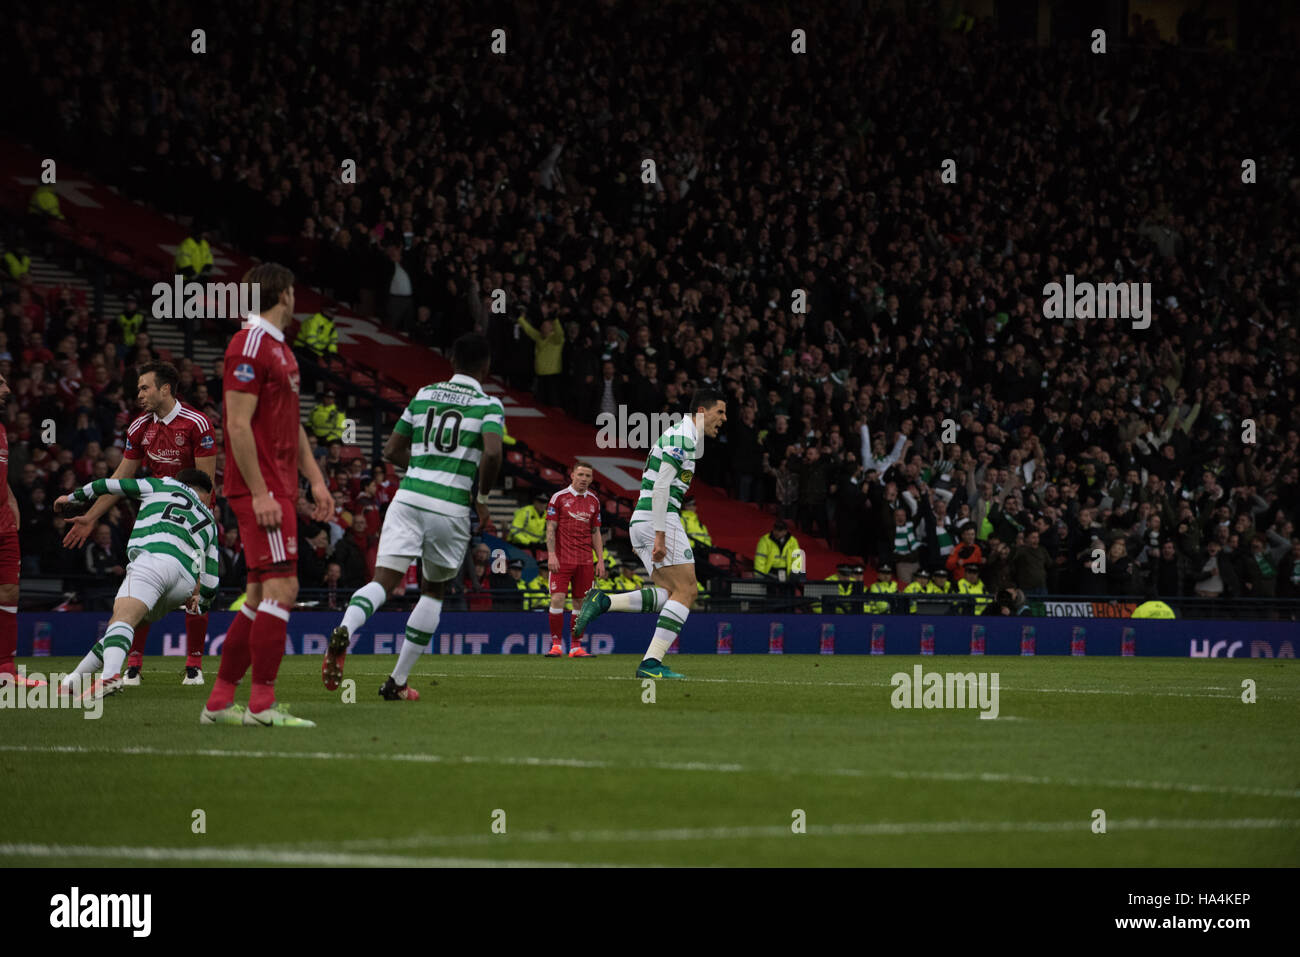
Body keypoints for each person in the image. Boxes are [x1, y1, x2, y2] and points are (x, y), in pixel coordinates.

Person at [323, 333, 503, 701]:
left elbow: (390, 450)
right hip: (449, 507)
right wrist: (481, 497)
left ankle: (345, 627)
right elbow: (494, 453)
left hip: (407, 498)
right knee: (433, 591)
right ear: (485, 367)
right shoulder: (488, 405)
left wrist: (424, 466)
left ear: (452, 361)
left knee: (383, 581)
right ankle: (397, 681)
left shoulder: (423, 394)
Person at [202, 263, 334, 728]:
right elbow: (236, 423)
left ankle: (218, 703)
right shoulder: (251, 343)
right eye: (295, 292)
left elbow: (291, 422)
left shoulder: (279, 350)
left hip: (278, 486)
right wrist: (261, 493)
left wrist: (315, 479)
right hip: (262, 490)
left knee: (258, 594)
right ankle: (261, 705)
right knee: (285, 587)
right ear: (285, 295)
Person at [62, 360, 217, 685]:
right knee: (142, 585)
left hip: (192, 518)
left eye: (145, 387)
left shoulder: (197, 424)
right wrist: (90, 516)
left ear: (165, 389)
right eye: (137, 389)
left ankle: (193, 665)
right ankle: (133, 665)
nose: (139, 394)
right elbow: (121, 477)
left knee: (197, 591)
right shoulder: (138, 428)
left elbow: (206, 483)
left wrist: (200, 531)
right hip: (154, 513)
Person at [573, 390, 728, 678]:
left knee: (669, 593)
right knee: (688, 590)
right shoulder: (682, 438)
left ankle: (604, 601)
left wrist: (645, 530)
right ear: (703, 411)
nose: (724, 418)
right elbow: (660, 488)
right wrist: (658, 534)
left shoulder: (681, 436)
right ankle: (651, 663)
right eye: (721, 412)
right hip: (660, 519)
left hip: (645, 519)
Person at [53, 470, 219, 699]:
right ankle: (72, 682)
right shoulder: (210, 521)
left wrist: (72, 497)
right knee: (124, 625)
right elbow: (211, 581)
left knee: (122, 619)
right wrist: (201, 602)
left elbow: (108, 484)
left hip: (154, 560)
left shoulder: (162, 485)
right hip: (183, 585)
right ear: (207, 494)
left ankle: (110, 677)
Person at [0, 374, 43, 688]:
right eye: (0, 383)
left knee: (9, 592)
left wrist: (11, 498)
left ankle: (4, 669)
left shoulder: (2, 430)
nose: (7, 388)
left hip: (3, 524)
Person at [543, 461, 604, 657]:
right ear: (572, 475)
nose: (584, 479)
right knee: (558, 598)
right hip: (562, 559)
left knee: (580, 604)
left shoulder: (594, 501)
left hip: (585, 561)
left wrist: (600, 560)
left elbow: (596, 532)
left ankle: (576, 646)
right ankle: (556, 645)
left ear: (592, 479)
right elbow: (550, 528)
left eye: (588, 476)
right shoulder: (558, 498)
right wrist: (551, 554)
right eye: (581, 475)